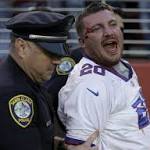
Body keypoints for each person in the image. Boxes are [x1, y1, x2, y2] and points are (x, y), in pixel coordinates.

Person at [58, 1, 150, 150]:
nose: (109, 32)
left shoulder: (123, 65)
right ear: (82, 42)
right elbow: (80, 147)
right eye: (97, 28)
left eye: (113, 24)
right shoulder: (89, 87)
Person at [0, 10, 75, 150]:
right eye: (51, 53)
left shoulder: (26, 78)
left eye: (59, 54)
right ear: (22, 47)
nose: (58, 61)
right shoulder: (13, 93)